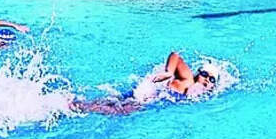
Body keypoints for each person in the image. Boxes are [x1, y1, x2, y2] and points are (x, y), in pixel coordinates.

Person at [70, 51, 221, 116]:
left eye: (212, 79)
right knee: (117, 112)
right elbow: (176, 56)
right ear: (197, 74)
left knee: (107, 103)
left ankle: (71, 103)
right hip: (146, 97)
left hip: (145, 96)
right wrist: (169, 72)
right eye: (204, 74)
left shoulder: (197, 95)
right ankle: (68, 106)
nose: (207, 79)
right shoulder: (188, 80)